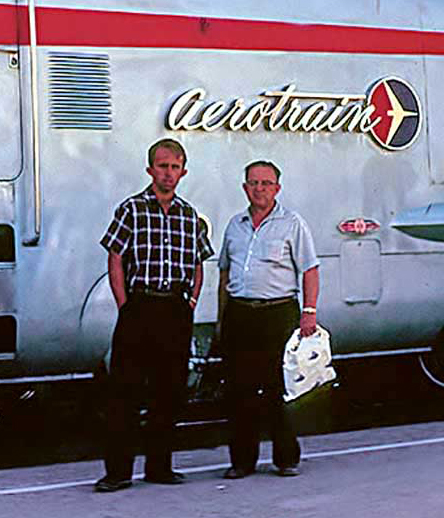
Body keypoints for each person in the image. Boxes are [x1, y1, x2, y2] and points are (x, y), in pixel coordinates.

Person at [95, 138, 214, 493]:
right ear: (150, 170)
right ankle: (117, 472)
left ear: (183, 171)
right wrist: (124, 304)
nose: (168, 173)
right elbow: (115, 256)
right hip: (139, 307)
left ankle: (160, 468)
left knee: (169, 392)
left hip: (174, 309)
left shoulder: (190, 215)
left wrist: (191, 301)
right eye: (162, 166)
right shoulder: (131, 209)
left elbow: (198, 262)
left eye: (175, 167)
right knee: (125, 393)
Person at [217, 160, 319, 479]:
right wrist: (222, 318)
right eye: (253, 183)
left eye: (266, 183)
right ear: (244, 187)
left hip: (278, 313)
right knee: (239, 391)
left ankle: (286, 459)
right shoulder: (235, 225)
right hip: (240, 314)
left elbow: (310, 269)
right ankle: (242, 462)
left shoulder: (293, 223)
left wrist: (309, 312)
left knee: (280, 388)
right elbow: (224, 273)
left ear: (277, 188)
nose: (259, 188)